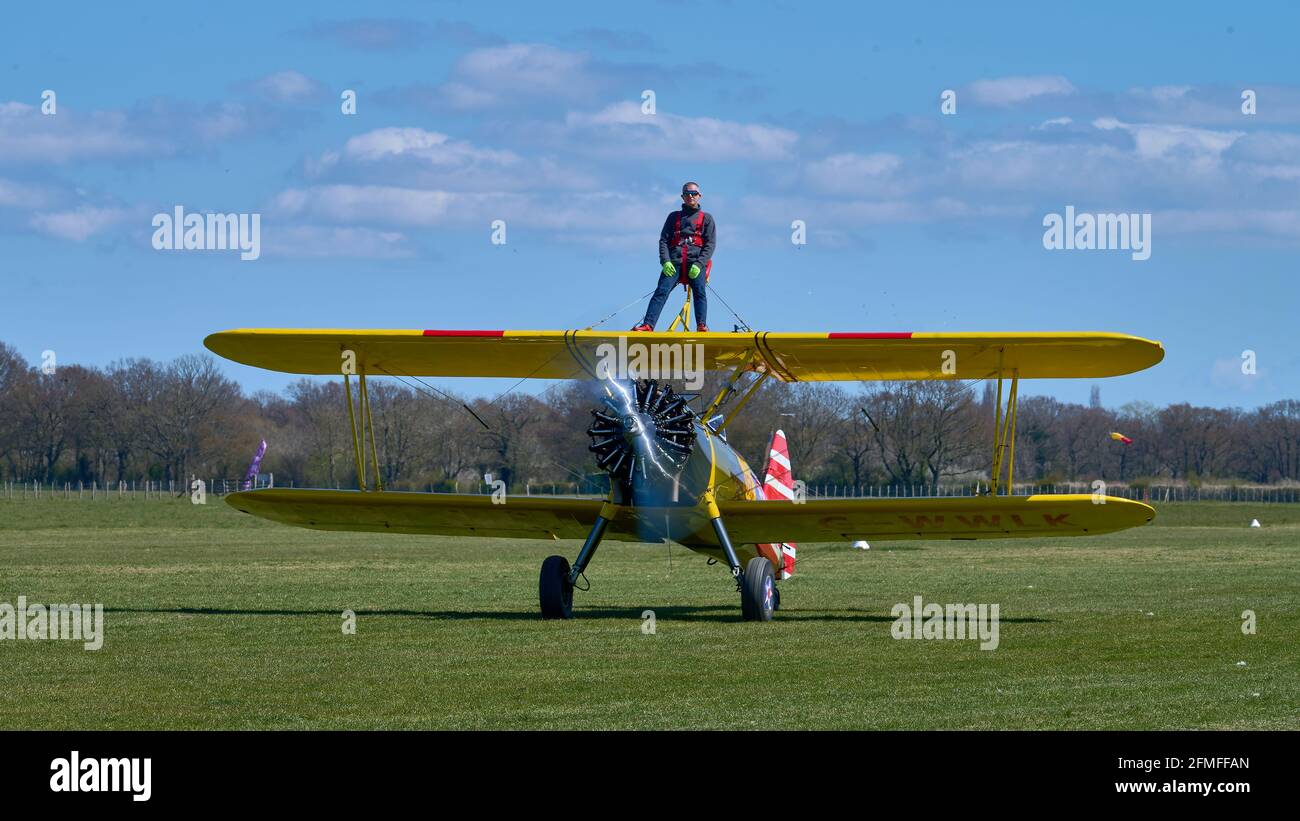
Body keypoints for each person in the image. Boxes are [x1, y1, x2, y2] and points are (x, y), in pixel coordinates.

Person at [632, 182, 715, 332]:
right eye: (687, 193)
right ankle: (648, 325)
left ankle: (701, 325)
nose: (691, 196)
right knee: (661, 291)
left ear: (699, 196)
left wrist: (699, 264)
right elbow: (663, 240)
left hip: (695, 263)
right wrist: (665, 261)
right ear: (682, 196)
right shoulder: (673, 217)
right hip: (674, 262)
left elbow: (710, 244)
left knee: (700, 291)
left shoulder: (707, 219)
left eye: (694, 193)